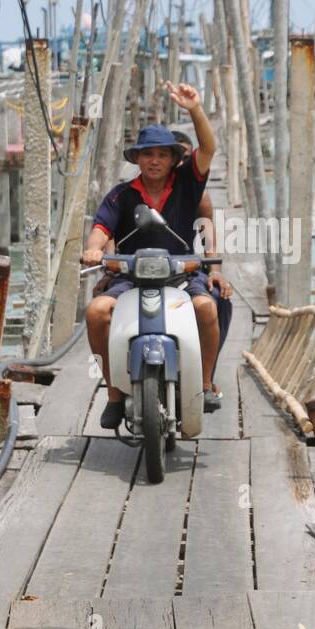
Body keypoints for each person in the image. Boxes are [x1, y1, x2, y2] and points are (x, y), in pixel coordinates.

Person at [82, 81, 219, 430]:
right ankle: (114, 393)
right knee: (97, 311)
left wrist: (195, 109)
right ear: (137, 159)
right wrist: (94, 248)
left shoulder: (189, 184)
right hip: (131, 276)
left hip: (181, 273)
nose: (154, 160)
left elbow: (209, 146)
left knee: (207, 308)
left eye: (161, 154)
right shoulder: (122, 194)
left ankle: (203, 385)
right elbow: (102, 227)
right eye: (147, 154)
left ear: (174, 159)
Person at [170, 129, 233, 405]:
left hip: (184, 266)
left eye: (186, 157)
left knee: (220, 301)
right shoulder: (137, 191)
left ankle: (208, 374)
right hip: (141, 268)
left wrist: (215, 270)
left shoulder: (198, 195)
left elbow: (208, 234)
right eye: (177, 157)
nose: (181, 163)